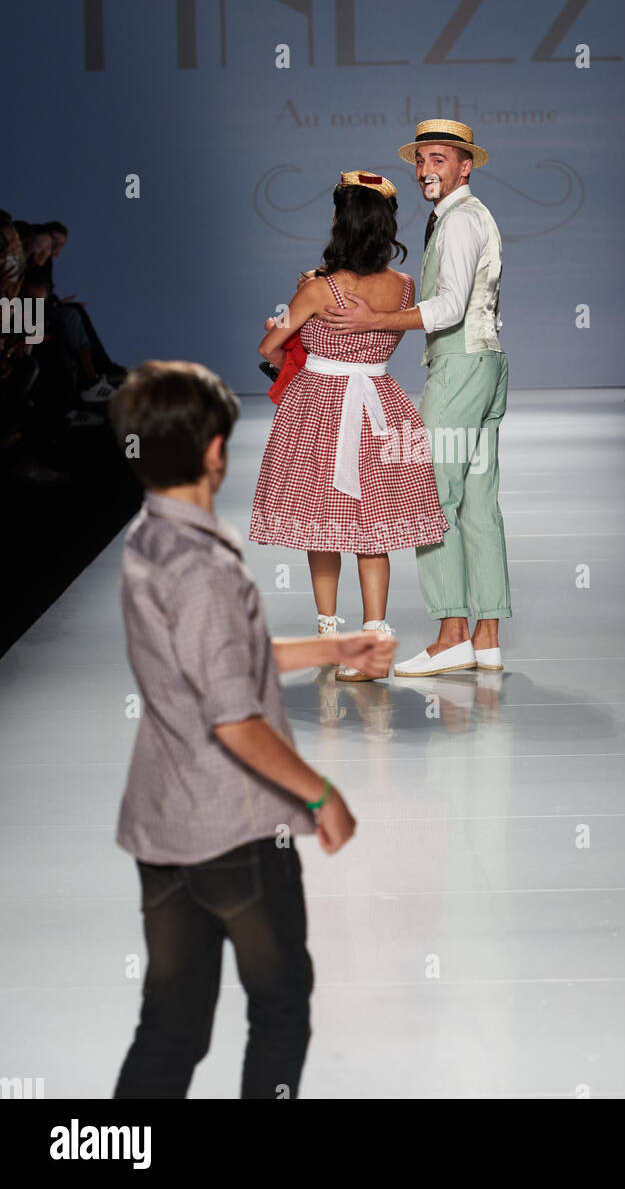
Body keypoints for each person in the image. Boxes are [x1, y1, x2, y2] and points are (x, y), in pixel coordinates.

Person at [107, 359, 394, 1099]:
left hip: (164, 824)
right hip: (234, 830)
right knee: (279, 1008)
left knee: (170, 1026)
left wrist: (330, 649)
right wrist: (320, 794)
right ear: (214, 452)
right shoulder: (203, 564)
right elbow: (233, 719)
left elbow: (215, 662)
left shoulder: (147, 541)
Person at [320, 119, 510, 676]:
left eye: (439, 160)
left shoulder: (458, 223)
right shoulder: (471, 217)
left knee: (429, 496)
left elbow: (449, 306)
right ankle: (486, 636)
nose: (426, 170)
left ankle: (452, 632)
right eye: (422, 160)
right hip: (486, 362)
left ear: (464, 165)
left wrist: (375, 319)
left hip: (460, 368)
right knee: (478, 503)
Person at [250, 171, 448, 680]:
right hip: (380, 407)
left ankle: (329, 636)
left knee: (322, 526)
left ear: (341, 222)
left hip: (320, 408)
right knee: (372, 528)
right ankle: (375, 637)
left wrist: (281, 327)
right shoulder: (404, 287)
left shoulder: (320, 288)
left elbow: (270, 349)